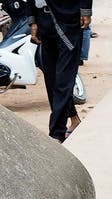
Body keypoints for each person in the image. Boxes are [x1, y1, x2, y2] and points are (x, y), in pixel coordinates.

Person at [29, 0, 88, 141]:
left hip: (67, 21)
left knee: (63, 80)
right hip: (44, 21)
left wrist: (86, 10)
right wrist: (32, 20)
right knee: (52, 80)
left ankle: (56, 133)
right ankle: (74, 119)